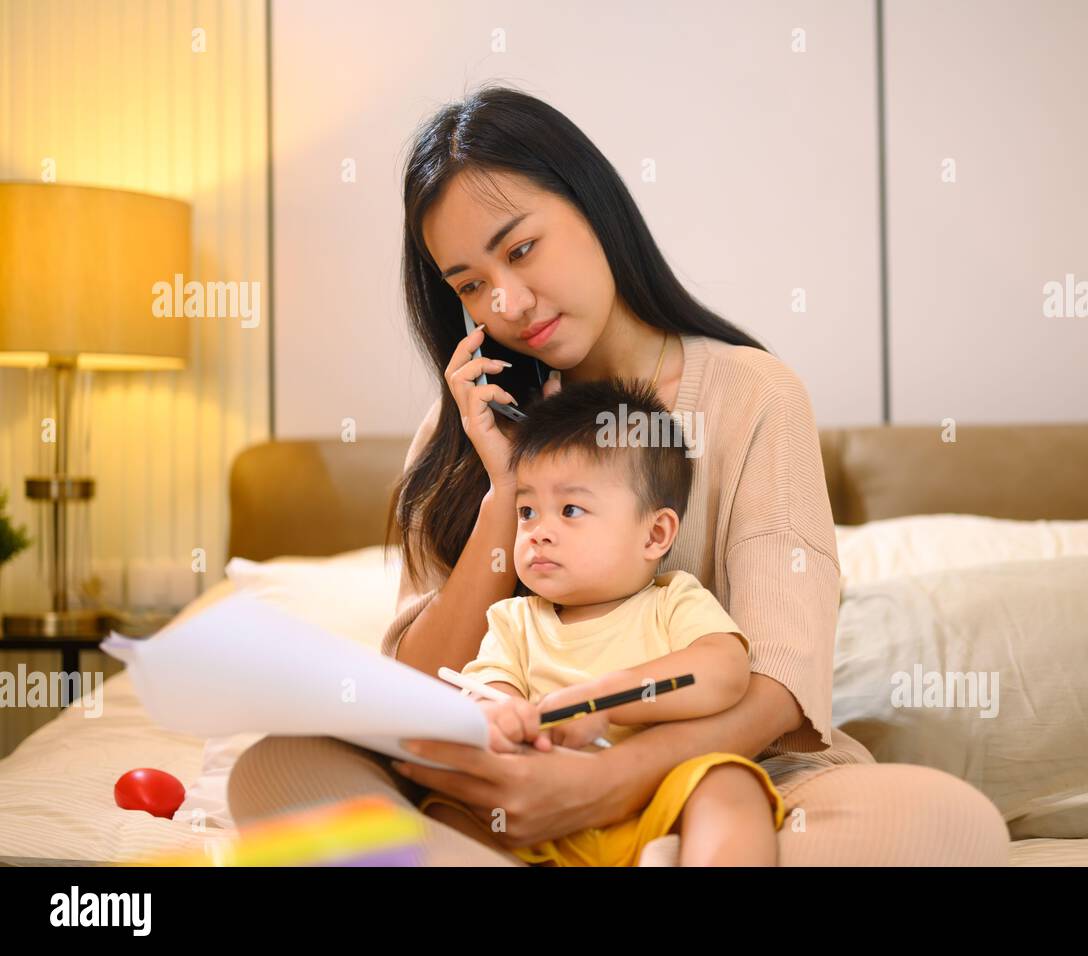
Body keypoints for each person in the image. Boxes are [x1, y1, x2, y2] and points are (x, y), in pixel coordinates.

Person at [228, 83, 1011, 866]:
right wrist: (507, 492)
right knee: (279, 767)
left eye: (522, 248)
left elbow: (776, 685)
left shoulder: (752, 395)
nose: (507, 300)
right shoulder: (461, 426)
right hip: (505, 792)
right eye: (469, 284)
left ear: (594, 205)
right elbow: (420, 692)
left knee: (946, 823)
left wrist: (607, 781)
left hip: (718, 780)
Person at [420, 377, 786, 866]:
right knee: (444, 810)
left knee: (728, 783)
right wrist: (504, 716)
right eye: (527, 510)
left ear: (655, 533)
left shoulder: (672, 601)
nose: (538, 533)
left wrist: (606, 702)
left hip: (651, 802)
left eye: (570, 509)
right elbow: (487, 686)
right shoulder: (512, 620)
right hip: (537, 812)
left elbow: (725, 672)